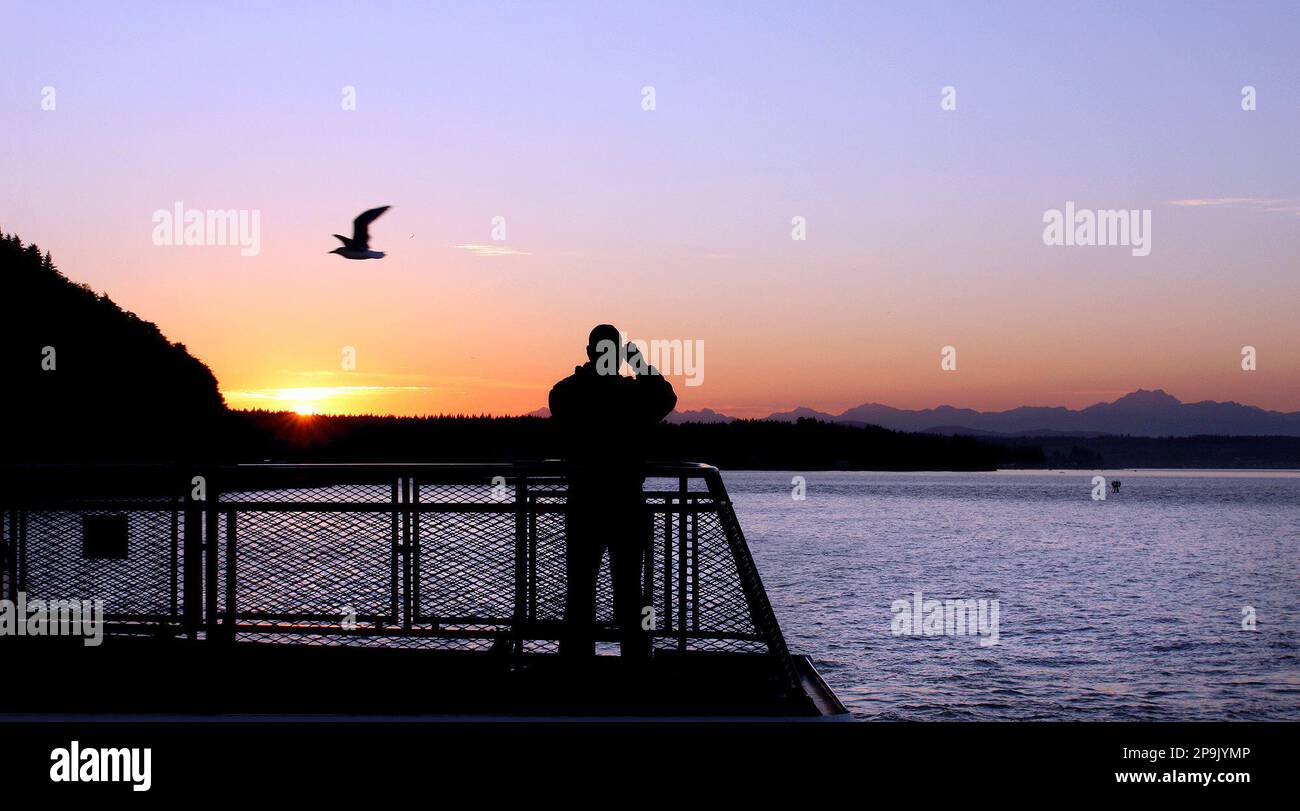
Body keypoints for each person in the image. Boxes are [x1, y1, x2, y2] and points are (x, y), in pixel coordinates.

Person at [549, 324, 677, 658]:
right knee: (630, 595)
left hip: (584, 502)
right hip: (625, 503)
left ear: (589, 352)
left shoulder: (567, 393)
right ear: (618, 355)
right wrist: (640, 365)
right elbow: (666, 398)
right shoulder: (633, 396)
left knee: (579, 592)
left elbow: (560, 406)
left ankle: (575, 670)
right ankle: (635, 670)